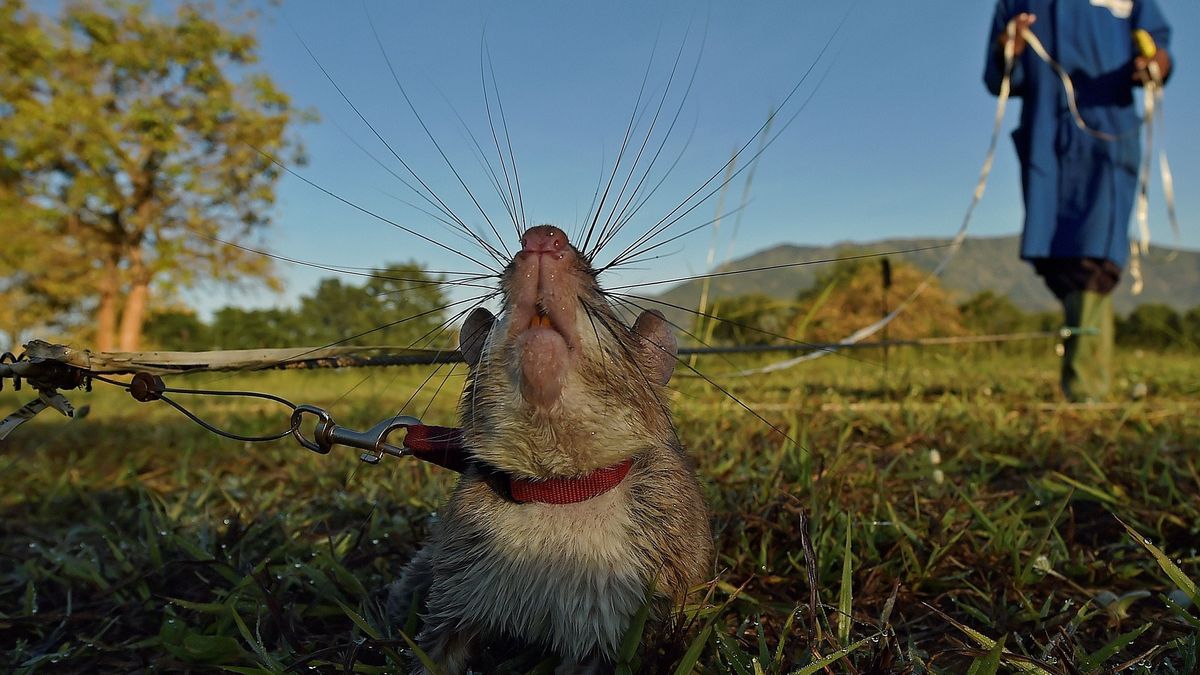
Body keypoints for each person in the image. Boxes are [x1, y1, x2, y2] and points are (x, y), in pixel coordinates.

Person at [984, 0, 1172, 402]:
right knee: (1058, 256)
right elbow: (996, 76)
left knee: (1095, 255)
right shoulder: (1015, 2)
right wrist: (1008, 49)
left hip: (1108, 134)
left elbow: (1159, 48)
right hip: (1046, 138)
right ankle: (1084, 369)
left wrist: (1154, 63)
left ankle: (1086, 387)